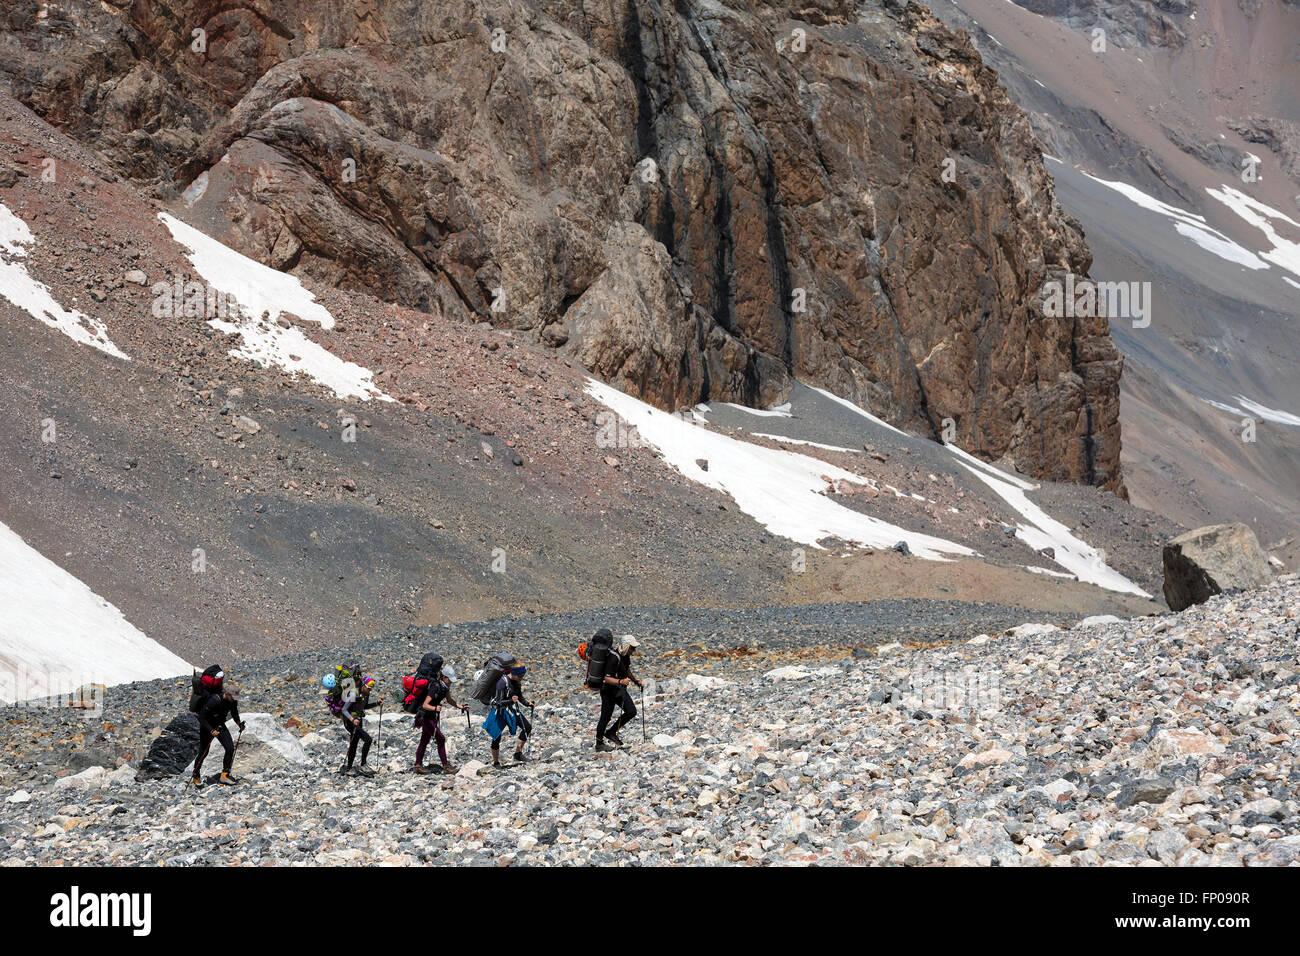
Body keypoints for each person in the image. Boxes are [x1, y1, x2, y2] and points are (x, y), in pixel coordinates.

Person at [414, 666, 469, 775]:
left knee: (424, 740)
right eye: (449, 680)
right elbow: (425, 704)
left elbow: (449, 700)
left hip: (430, 716)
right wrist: (435, 708)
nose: (451, 683)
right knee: (440, 738)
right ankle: (445, 765)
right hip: (424, 716)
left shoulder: (445, 688)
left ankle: (417, 765)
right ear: (444, 677)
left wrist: (462, 707)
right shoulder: (435, 687)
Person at [193, 676, 245, 787]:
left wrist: (239, 724)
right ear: (227, 694)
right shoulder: (214, 700)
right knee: (203, 752)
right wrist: (211, 730)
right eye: (233, 697)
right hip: (207, 726)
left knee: (230, 748)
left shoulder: (232, 701)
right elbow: (201, 717)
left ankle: (225, 775)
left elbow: (234, 713)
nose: (235, 700)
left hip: (220, 725)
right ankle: (196, 774)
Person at [594, 635, 642, 751]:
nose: (633, 650)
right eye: (632, 648)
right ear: (626, 646)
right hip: (608, 691)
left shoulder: (626, 656)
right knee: (605, 717)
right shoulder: (613, 658)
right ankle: (599, 743)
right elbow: (607, 678)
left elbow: (626, 669)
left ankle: (611, 732)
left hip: (619, 690)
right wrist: (621, 681)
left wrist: (636, 681)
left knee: (631, 711)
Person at [489, 665, 533, 767]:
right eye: (520, 676)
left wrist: (527, 703)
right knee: (496, 736)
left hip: (511, 711)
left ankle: (518, 753)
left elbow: (519, 696)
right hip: (499, 712)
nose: (521, 678)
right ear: (513, 674)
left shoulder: (516, 682)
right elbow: (495, 702)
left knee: (527, 727)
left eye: (523, 676)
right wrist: (510, 701)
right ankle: (496, 762)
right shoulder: (501, 683)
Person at [339, 675, 383, 777]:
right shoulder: (354, 693)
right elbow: (344, 710)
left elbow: (365, 706)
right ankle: (363, 765)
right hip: (351, 721)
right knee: (368, 740)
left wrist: (376, 703)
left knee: (354, 742)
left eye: (371, 688)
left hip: (358, 720)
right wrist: (352, 719)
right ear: (363, 685)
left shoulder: (365, 694)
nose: (370, 690)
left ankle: (349, 767)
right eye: (368, 687)